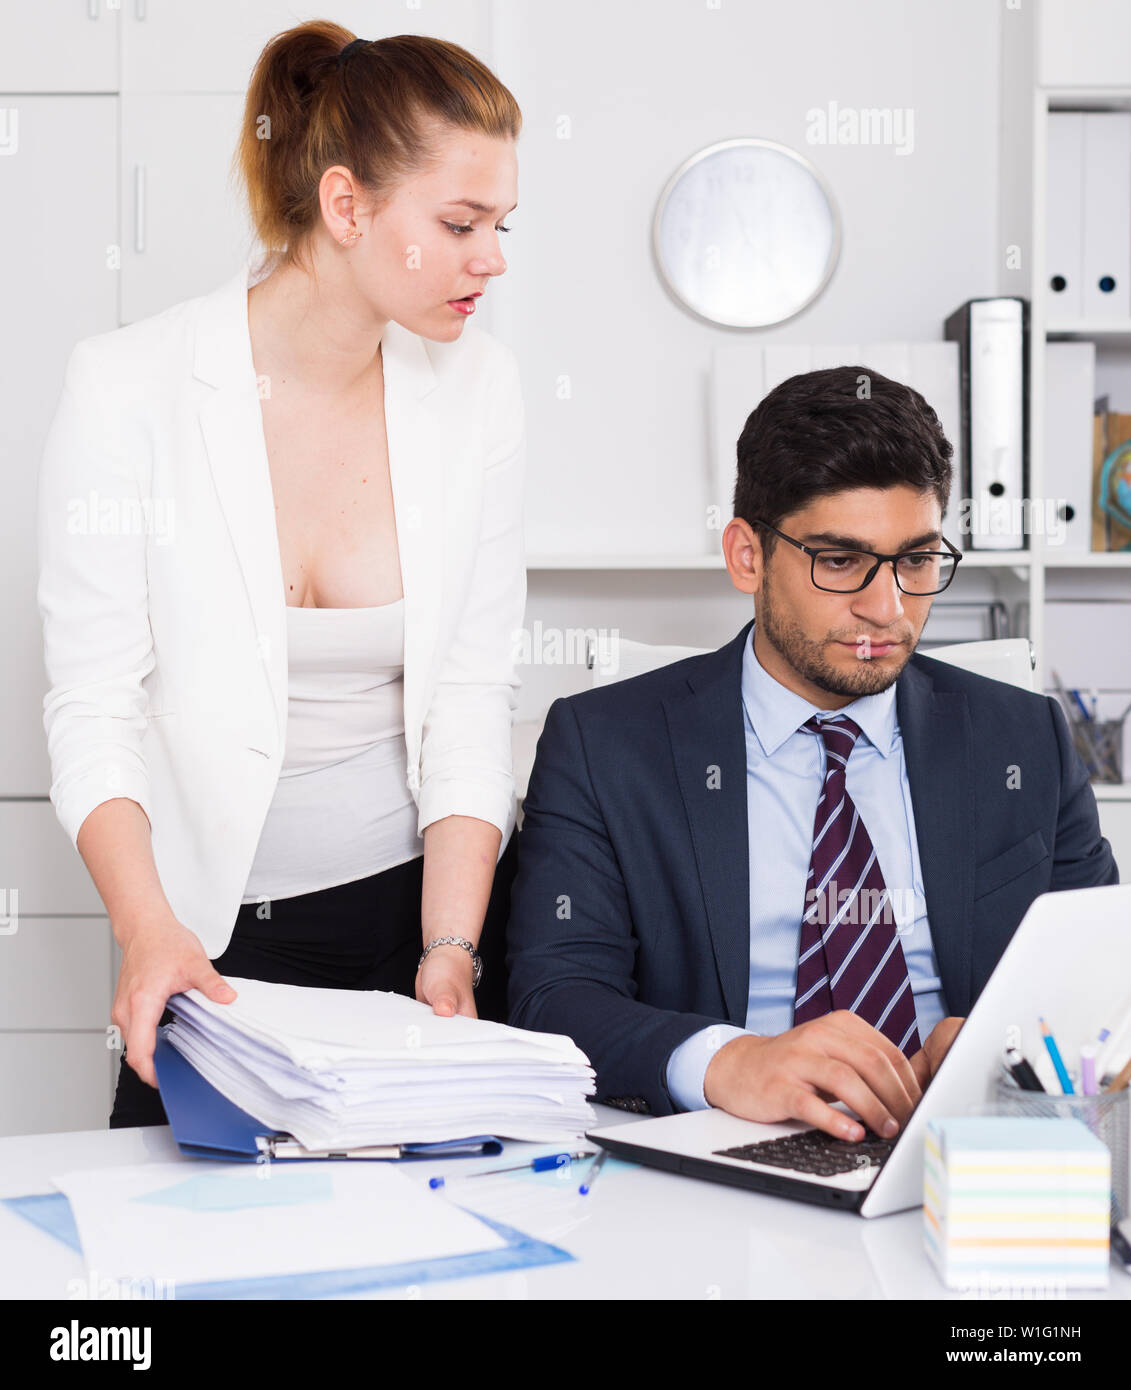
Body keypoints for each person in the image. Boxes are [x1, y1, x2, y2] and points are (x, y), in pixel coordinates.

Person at [36, 21, 526, 1127]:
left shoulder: (477, 391)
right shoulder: (128, 387)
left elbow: (470, 694)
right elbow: (95, 703)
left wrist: (450, 950)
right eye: (459, 224)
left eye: (501, 224)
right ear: (347, 207)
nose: (491, 257)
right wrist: (147, 924)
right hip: (199, 938)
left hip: (406, 921)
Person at [507, 365, 1119, 1142]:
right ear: (746, 557)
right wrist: (730, 1062)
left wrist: (1004, 1050)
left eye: (916, 560)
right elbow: (553, 994)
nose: (886, 606)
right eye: (839, 562)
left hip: (960, 1149)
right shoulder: (603, 744)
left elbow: (1097, 981)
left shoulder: (1021, 738)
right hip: (723, 1150)